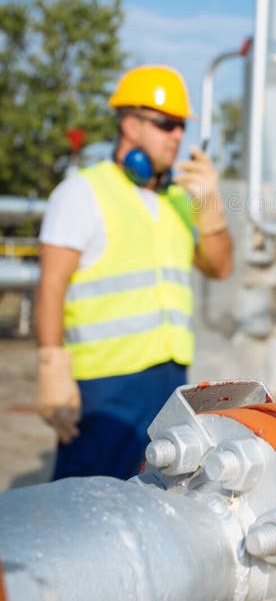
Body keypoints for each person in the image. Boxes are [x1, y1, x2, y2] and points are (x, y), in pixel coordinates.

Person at [35, 65, 233, 480]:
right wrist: (51, 366)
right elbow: (51, 283)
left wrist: (210, 207)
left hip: (169, 381)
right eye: (165, 124)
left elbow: (220, 267)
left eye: (180, 126)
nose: (177, 136)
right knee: (88, 504)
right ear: (129, 123)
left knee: (153, 498)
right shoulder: (82, 192)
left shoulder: (177, 200)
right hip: (105, 389)